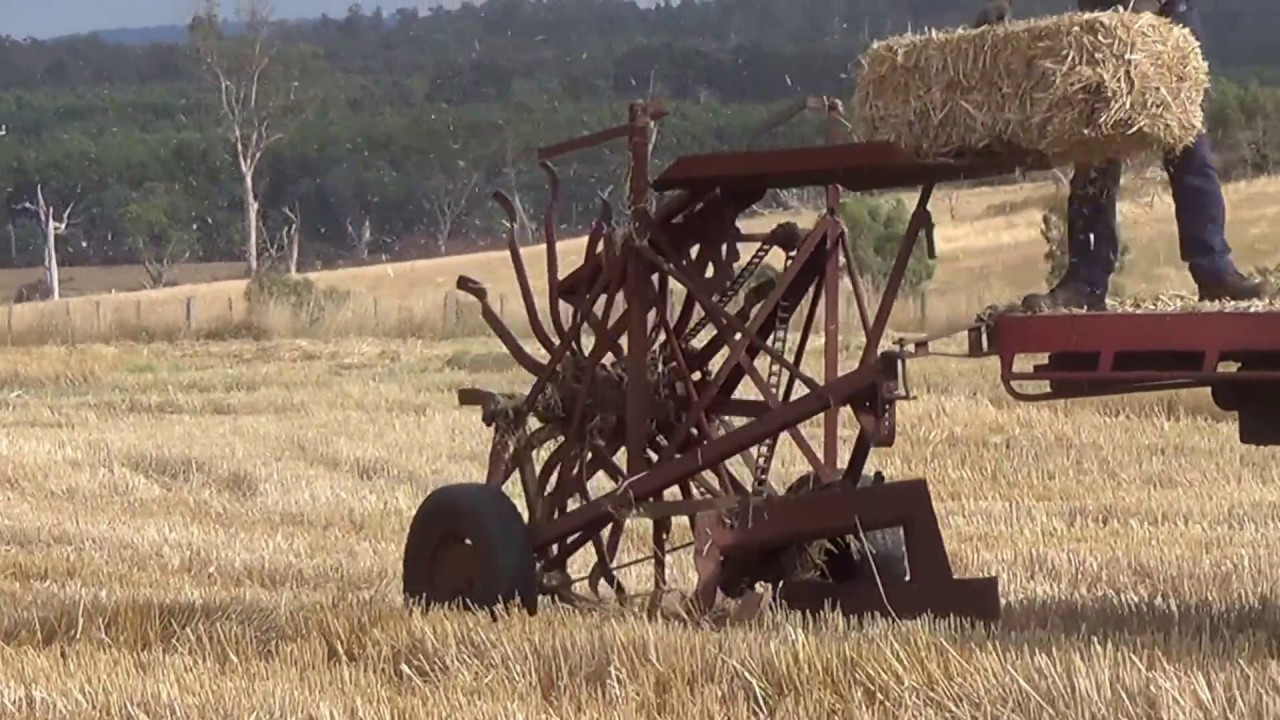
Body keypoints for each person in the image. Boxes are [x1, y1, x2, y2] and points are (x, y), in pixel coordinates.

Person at [986, 0, 1271, 311]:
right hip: (1101, 20)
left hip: (1169, 14)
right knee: (1094, 150)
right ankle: (1085, 284)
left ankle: (1215, 272)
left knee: (1188, 144)